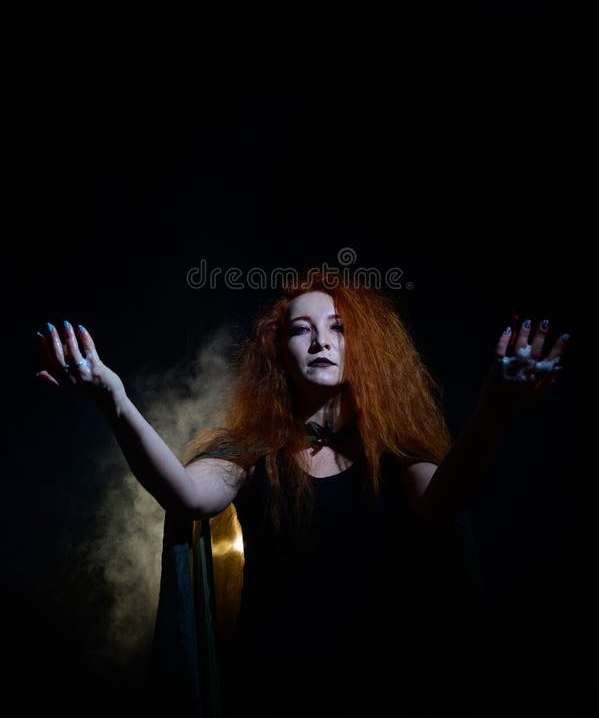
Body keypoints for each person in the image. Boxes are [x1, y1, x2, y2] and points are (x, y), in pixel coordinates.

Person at [36, 272, 569, 718]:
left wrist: (496, 408)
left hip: (383, 698)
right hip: (267, 698)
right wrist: (116, 401)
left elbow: (444, 500)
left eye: (338, 327)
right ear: (278, 352)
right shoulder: (250, 452)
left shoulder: (397, 455)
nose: (320, 341)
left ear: (363, 347)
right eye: (301, 330)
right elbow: (187, 496)